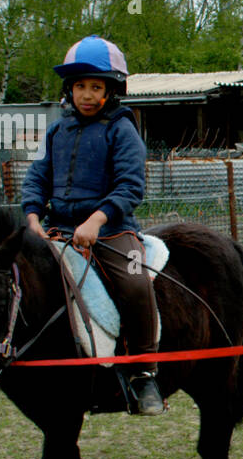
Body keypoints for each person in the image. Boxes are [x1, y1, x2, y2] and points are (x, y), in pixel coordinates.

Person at [20, 34, 165, 415]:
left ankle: (145, 375)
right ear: (70, 90)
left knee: (134, 283)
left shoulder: (122, 130)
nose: (86, 94)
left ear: (111, 90)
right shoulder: (57, 131)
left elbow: (131, 186)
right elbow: (37, 177)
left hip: (112, 230)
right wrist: (32, 216)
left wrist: (97, 220)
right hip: (57, 228)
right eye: (80, 86)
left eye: (95, 87)